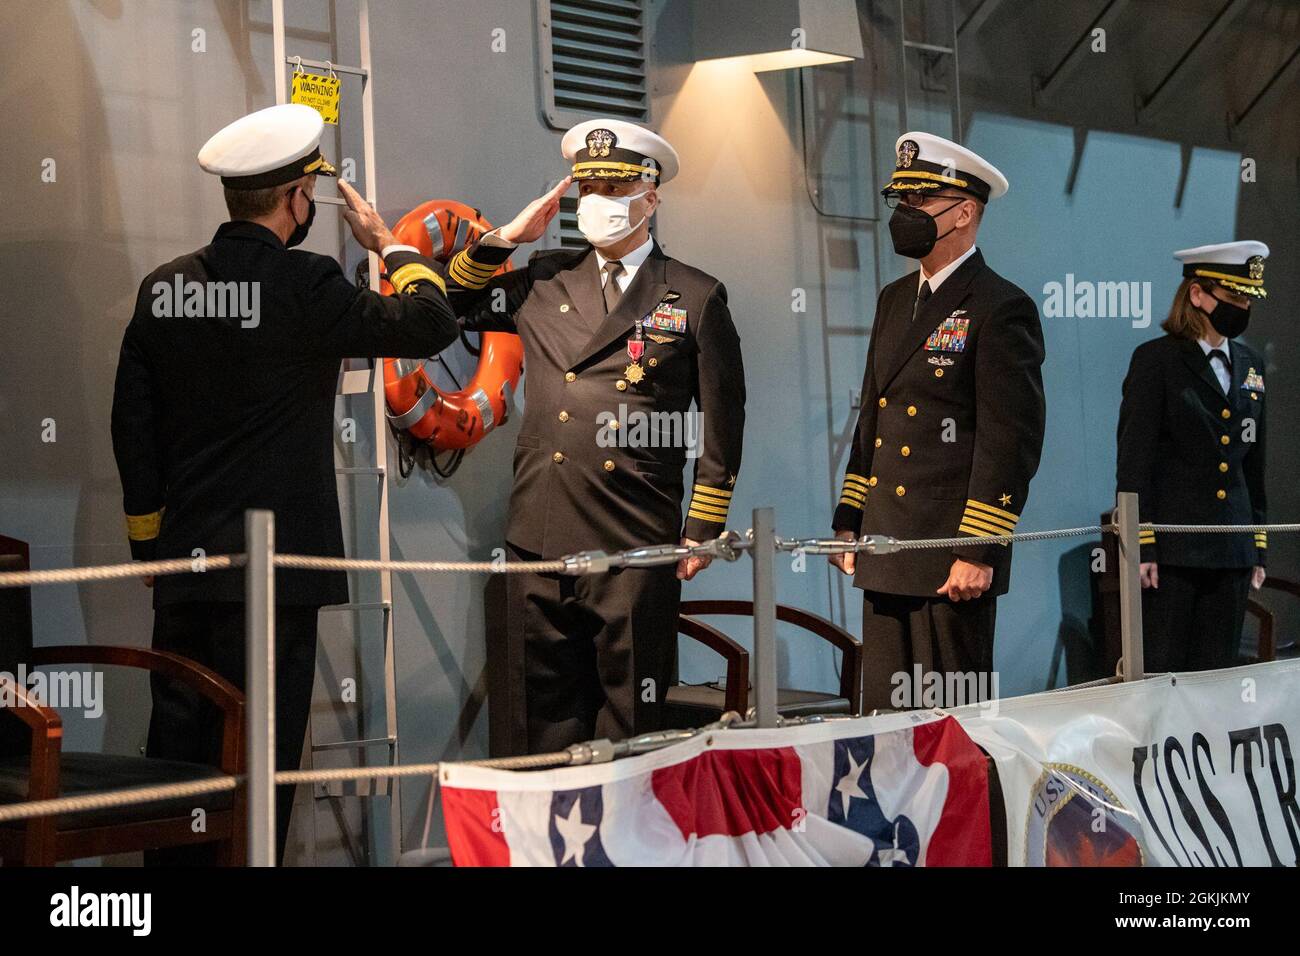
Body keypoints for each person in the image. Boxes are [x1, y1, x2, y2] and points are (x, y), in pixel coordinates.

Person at [110, 103, 474, 863]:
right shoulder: (308, 284)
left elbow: (132, 430)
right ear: (296, 199)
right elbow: (432, 321)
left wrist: (150, 547)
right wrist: (389, 244)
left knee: (177, 758)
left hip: (186, 565)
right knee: (262, 765)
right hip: (277, 578)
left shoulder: (163, 287)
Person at [441, 119, 746, 753]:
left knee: (631, 716)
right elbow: (446, 307)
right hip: (539, 531)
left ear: (650, 196)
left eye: (615, 186)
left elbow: (723, 420)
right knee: (535, 719)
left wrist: (702, 527)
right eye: (589, 188)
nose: (600, 202)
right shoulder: (545, 278)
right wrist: (505, 240)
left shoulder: (693, 294)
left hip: (632, 534)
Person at [828, 132, 1045, 711]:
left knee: (953, 728)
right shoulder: (894, 299)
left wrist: (979, 547)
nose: (906, 215)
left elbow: (1010, 439)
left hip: (951, 557)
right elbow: (873, 415)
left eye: (921, 202)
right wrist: (849, 519)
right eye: (901, 201)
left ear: (965, 212)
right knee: (885, 721)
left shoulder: (1001, 306)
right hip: (886, 544)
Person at [1116, 241, 1269, 672]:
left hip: (1233, 551)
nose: (1242, 308)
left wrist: (1257, 546)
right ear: (1198, 294)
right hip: (1175, 551)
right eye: (1234, 296)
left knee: (1218, 672)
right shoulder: (1156, 361)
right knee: (1169, 671)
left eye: (1247, 299)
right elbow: (1135, 459)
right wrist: (1144, 545)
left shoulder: (1251, 364)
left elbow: (1253, 464)